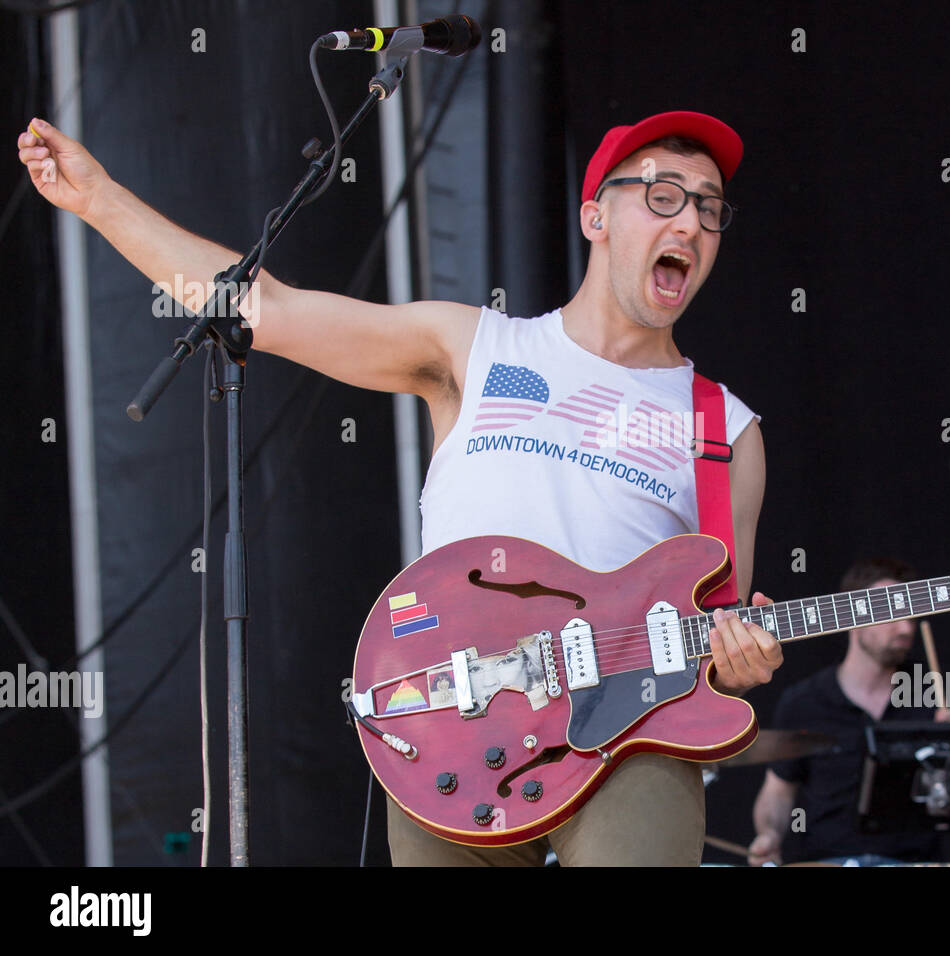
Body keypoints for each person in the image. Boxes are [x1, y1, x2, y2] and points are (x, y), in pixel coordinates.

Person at [17, 109, 784, 865]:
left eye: (708, 208)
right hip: (458, 726)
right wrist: (99, 198)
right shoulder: (474, 346)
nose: (688, 222)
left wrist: (739, 660)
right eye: (662, 195)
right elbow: (266, 309)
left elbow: (711, 643)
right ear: (595, 216)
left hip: (629, 744)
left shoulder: (727, 428)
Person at [749, 558, 950, 866]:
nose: (905, 627)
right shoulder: (804, 703)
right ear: (851, 616)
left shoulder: (935, 696)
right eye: (892, 614)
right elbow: (778, 791)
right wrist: (769, 834)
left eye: (911, 615)